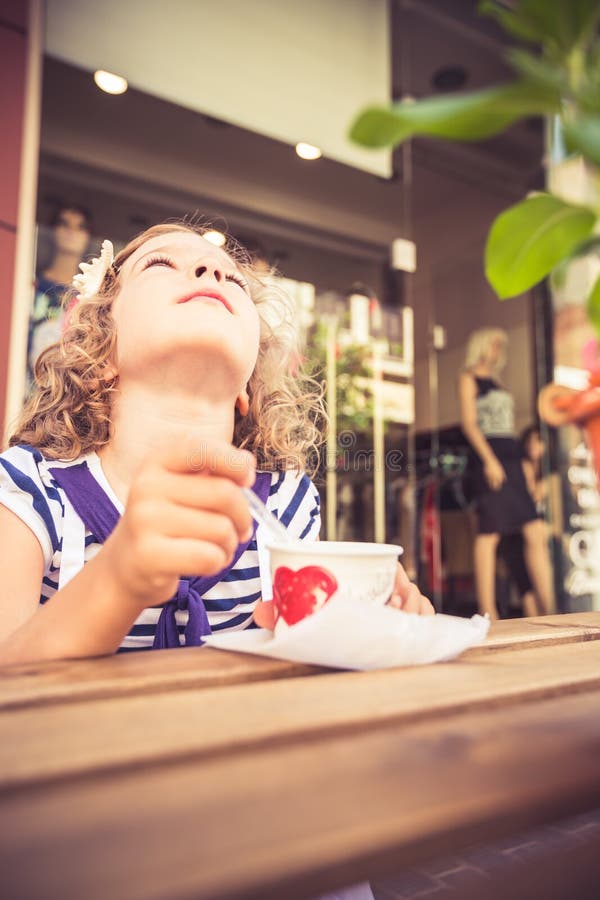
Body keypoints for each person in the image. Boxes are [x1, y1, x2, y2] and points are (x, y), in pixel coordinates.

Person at [0, 222, 433, 667]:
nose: (211, 268)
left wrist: (361, 625)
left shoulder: (286, 503)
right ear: (100, 355)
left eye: (234, 280)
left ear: (249, 383)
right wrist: (118, 579)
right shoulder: (28, 490)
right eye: (162, 264)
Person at [459, 328, 554, 620]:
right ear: (482, 346)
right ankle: (488, 610)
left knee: (535, 530)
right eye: (494, 345)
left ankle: (550, 607)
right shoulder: (468, 378)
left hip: (512, 455)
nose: (498, 351)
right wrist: (489, 460)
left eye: (501, 346)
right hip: (489, 457)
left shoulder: (499, 382)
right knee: (489, 534)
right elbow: (470, 424)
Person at [28, 204, 92, 385]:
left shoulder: (88, 295)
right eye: (64, 224)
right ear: (53, 231)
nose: (71, 232)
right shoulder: (33, 285)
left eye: (81, 227)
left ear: (88, 236)